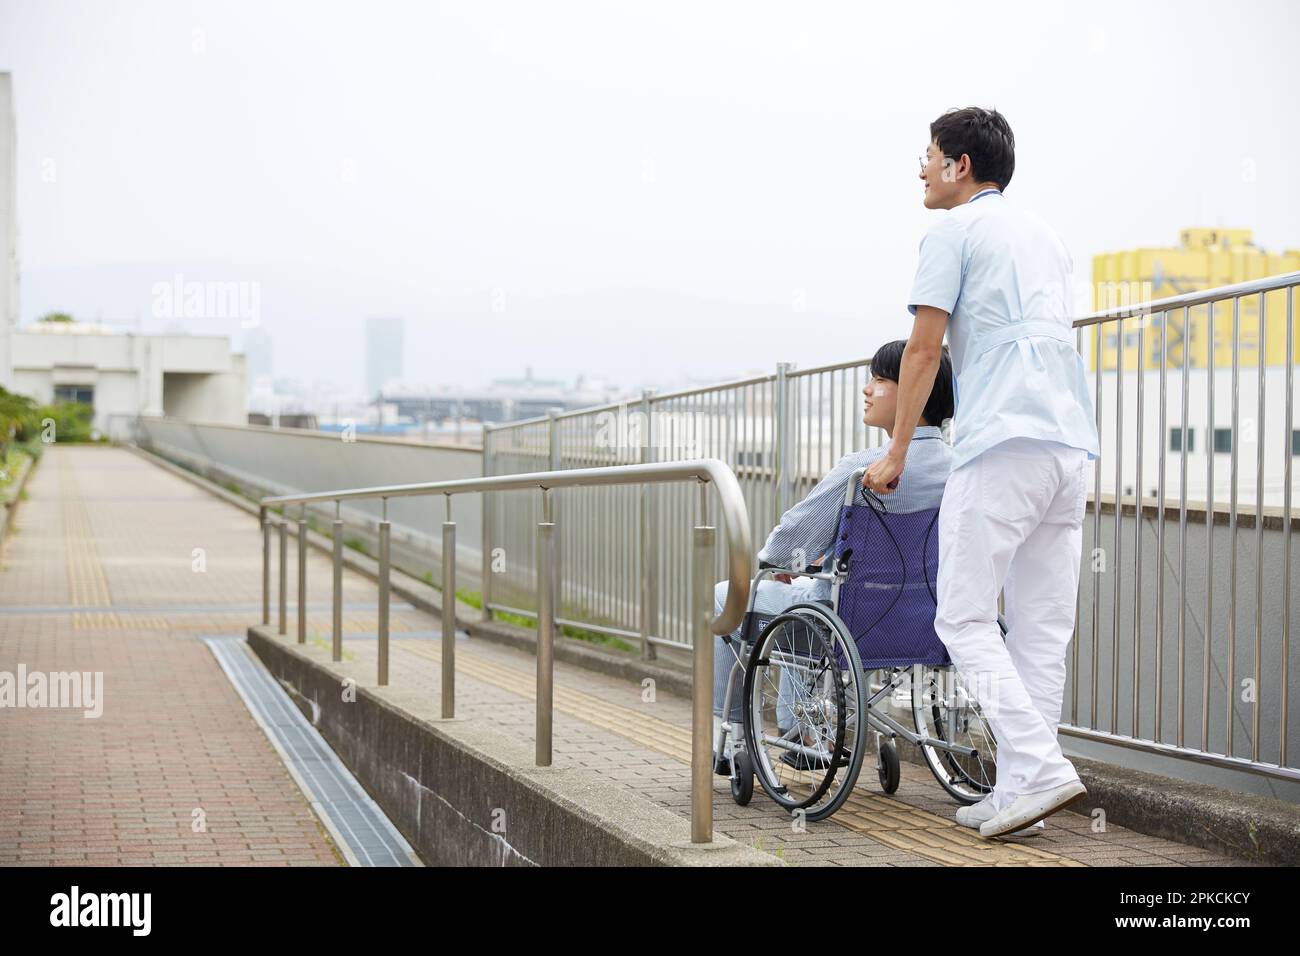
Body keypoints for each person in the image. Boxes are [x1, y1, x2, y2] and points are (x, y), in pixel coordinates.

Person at [862, 106, 1101, 839]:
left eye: (929, 156)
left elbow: (923, 353)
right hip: (1070, 446)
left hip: (1001, 444)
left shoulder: (951, 232)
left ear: (961, 165)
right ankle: (1019, 792)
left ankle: (1043, 766)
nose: (922, 168)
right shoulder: (1048, 237)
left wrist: (897, 450)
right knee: (1040, 629)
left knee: (962, 615)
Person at [712, 339, 954, 774]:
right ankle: (799, 730)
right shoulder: (961, 469)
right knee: (814, 595)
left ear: (914, 391)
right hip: (927, 619)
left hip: (850, 620)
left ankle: (728, 739)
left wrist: (776, 562)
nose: (867, 389)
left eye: (880, 379)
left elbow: (792, 540)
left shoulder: (865, 468)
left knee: (729, 595)